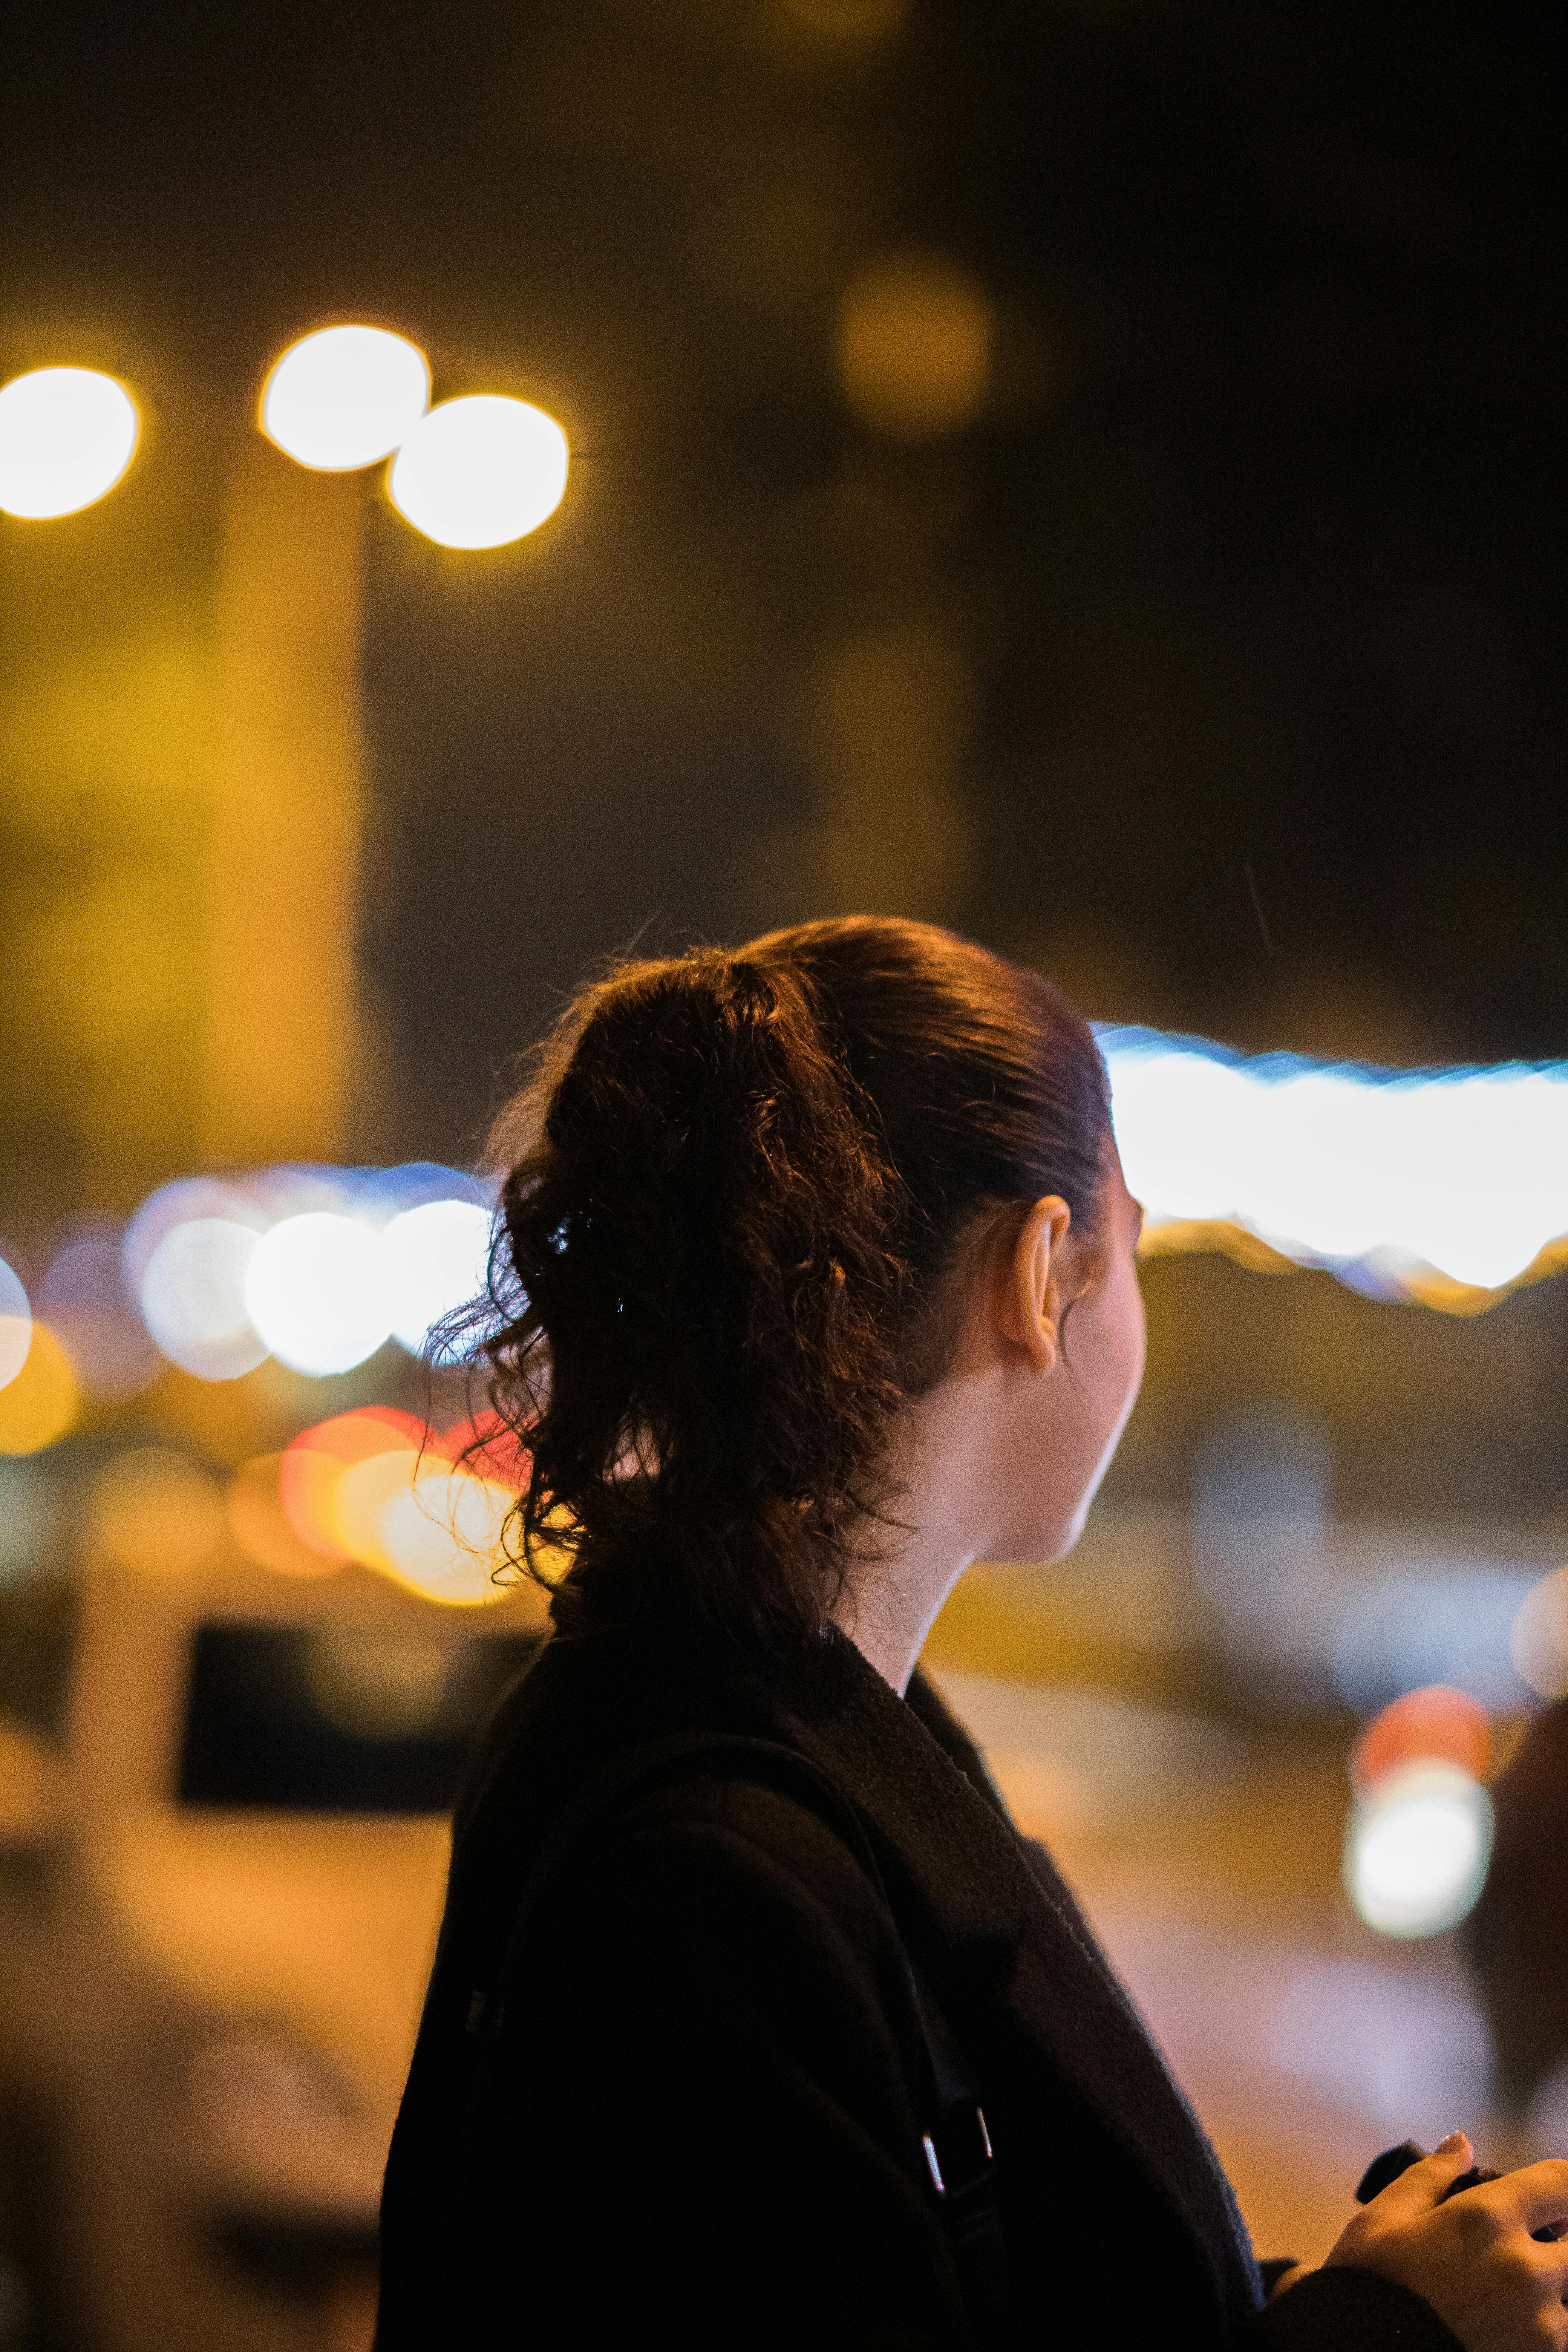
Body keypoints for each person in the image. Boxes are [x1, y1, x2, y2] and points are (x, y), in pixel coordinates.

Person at [375, 917, 1568, 2352]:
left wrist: (1343, 2303)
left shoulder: (738, 1727)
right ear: (1042, 1270)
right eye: (1132, 1251)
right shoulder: (717, 1864)